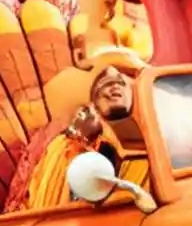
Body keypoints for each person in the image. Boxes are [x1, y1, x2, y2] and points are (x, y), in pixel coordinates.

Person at [14, 52, 151, 211]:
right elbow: (49, 207)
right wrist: (79, 140)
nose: (115, 85)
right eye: (105, 83)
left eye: (122, 80)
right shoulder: (66, 144)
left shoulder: (155, 141)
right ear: (92, 104)